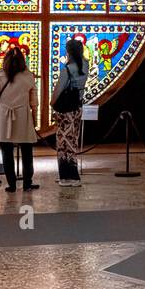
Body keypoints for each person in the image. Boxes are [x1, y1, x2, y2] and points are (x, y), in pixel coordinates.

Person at [0, 46, 40, 193]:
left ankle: (11, 184)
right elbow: (34, 100)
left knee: (6, 151)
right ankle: (27, 183)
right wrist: (34, 117)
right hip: (23, 114)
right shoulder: (28, 76)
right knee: (27, 150)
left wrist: (1, 104)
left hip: (3, 115)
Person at [51, 38, 89, 187]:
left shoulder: (67, 69)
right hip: (77, 108)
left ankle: (67, 176)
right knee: (73, 139)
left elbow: (59, 90)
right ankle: (73, 175)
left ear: (68, 52)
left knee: (62, 141)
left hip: (65, 110)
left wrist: (52, 103)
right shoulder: (85, 65)